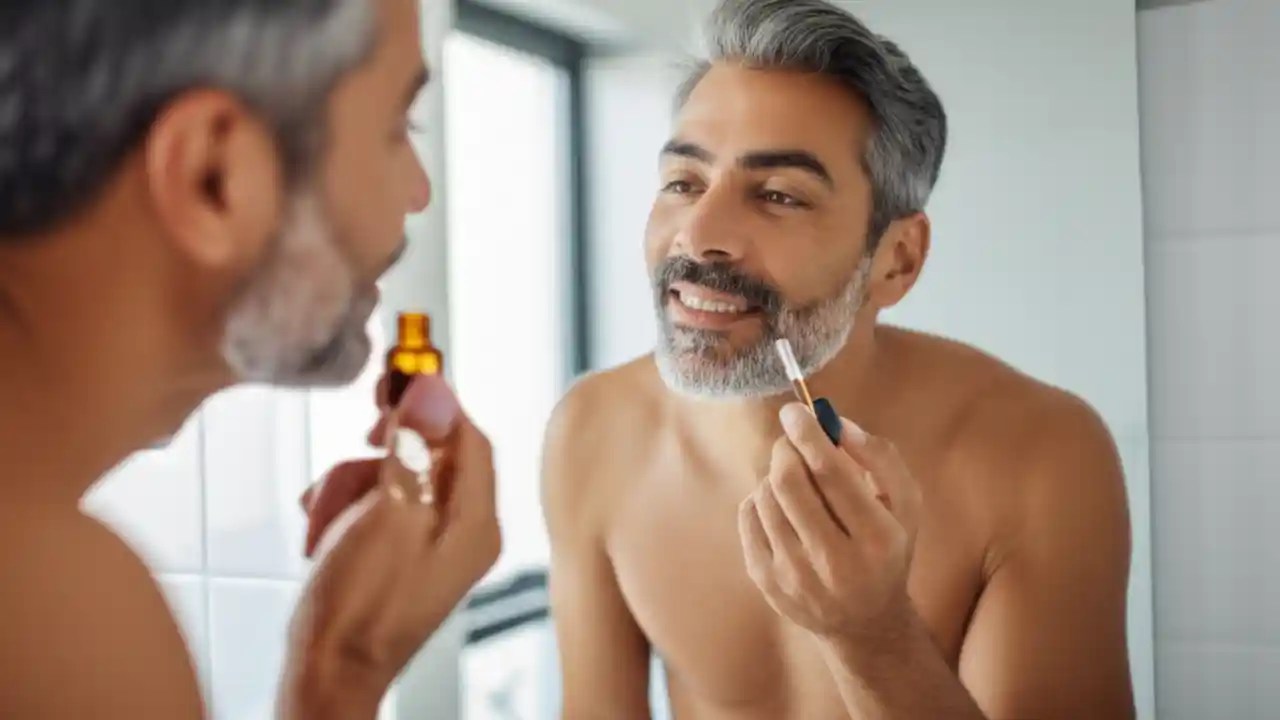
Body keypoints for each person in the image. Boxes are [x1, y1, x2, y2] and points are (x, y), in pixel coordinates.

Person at [542, 0, 1135, 718]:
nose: (698, 236)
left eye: (778, 195)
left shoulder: (1043, 455)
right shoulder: (592, 432)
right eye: (683, 183)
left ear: (896, 259)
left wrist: (873, 637)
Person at [0, 1, 500, 718]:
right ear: (214, 174)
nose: (418, 192)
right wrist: (342, 674)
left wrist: (336, 669)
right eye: (399, 127)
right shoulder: (55, 621)